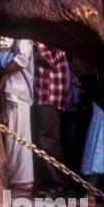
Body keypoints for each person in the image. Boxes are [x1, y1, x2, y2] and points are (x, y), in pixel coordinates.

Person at [0, 38, 35, 199]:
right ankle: (13, 178)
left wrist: (3, 73)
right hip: (9, 91)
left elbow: (22, 59)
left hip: (18, 91)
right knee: (10, 139)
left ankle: (23, 182)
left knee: (18, 139)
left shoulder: (23, 35)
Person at [32, 44, 70, 196]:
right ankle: (48, 182)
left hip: (49, 97)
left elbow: (49, 60)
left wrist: (35, 44)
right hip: (42, 97)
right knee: (43, 140)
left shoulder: (52, 41)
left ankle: (58, 184)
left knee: (48, 140)